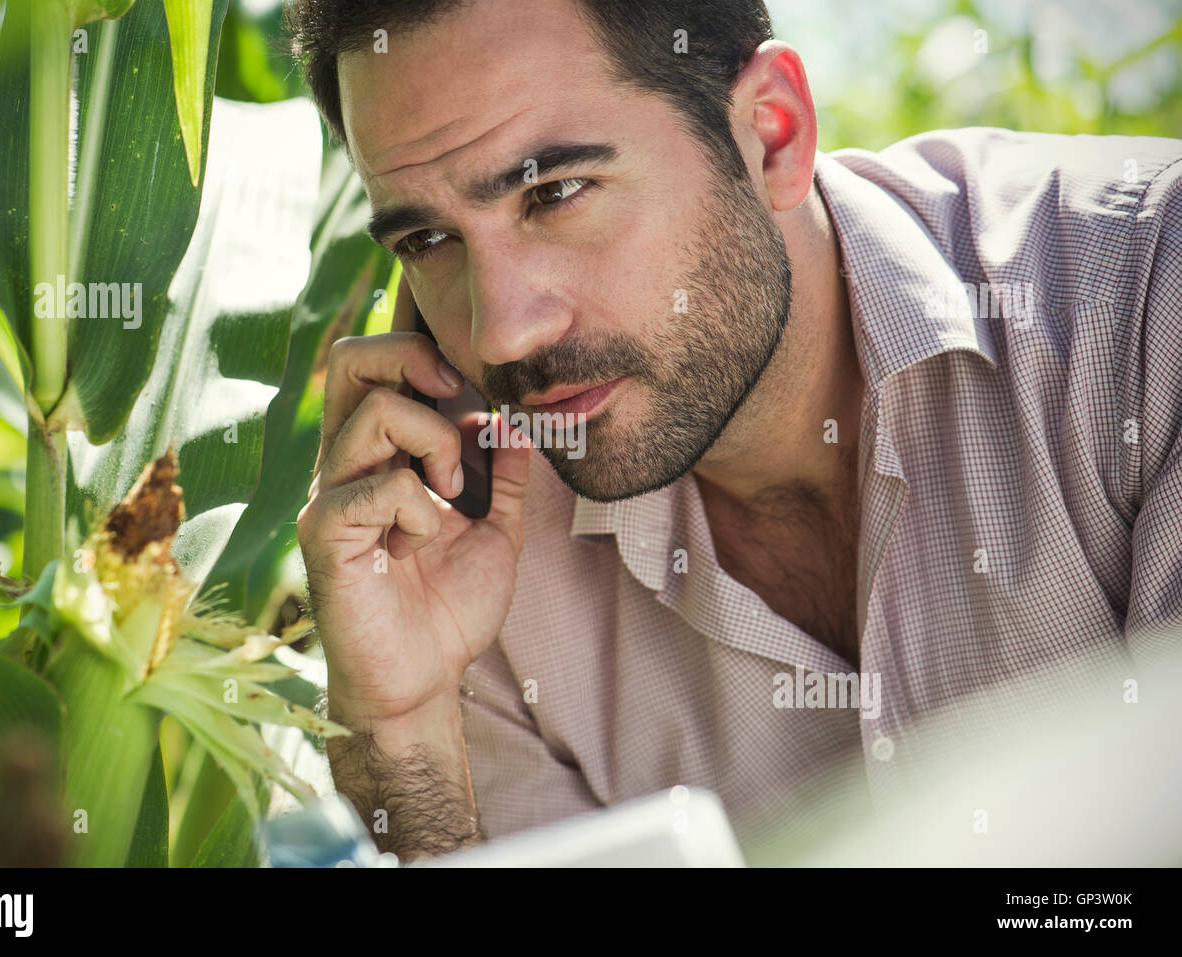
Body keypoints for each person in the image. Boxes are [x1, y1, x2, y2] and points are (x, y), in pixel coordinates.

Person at [286, 0, 1182, 862]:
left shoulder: (1144, 304)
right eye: (430, 243)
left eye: (555, 193)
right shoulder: (460, 557)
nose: (501, 334)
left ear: (772, 134)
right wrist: (402, 737)